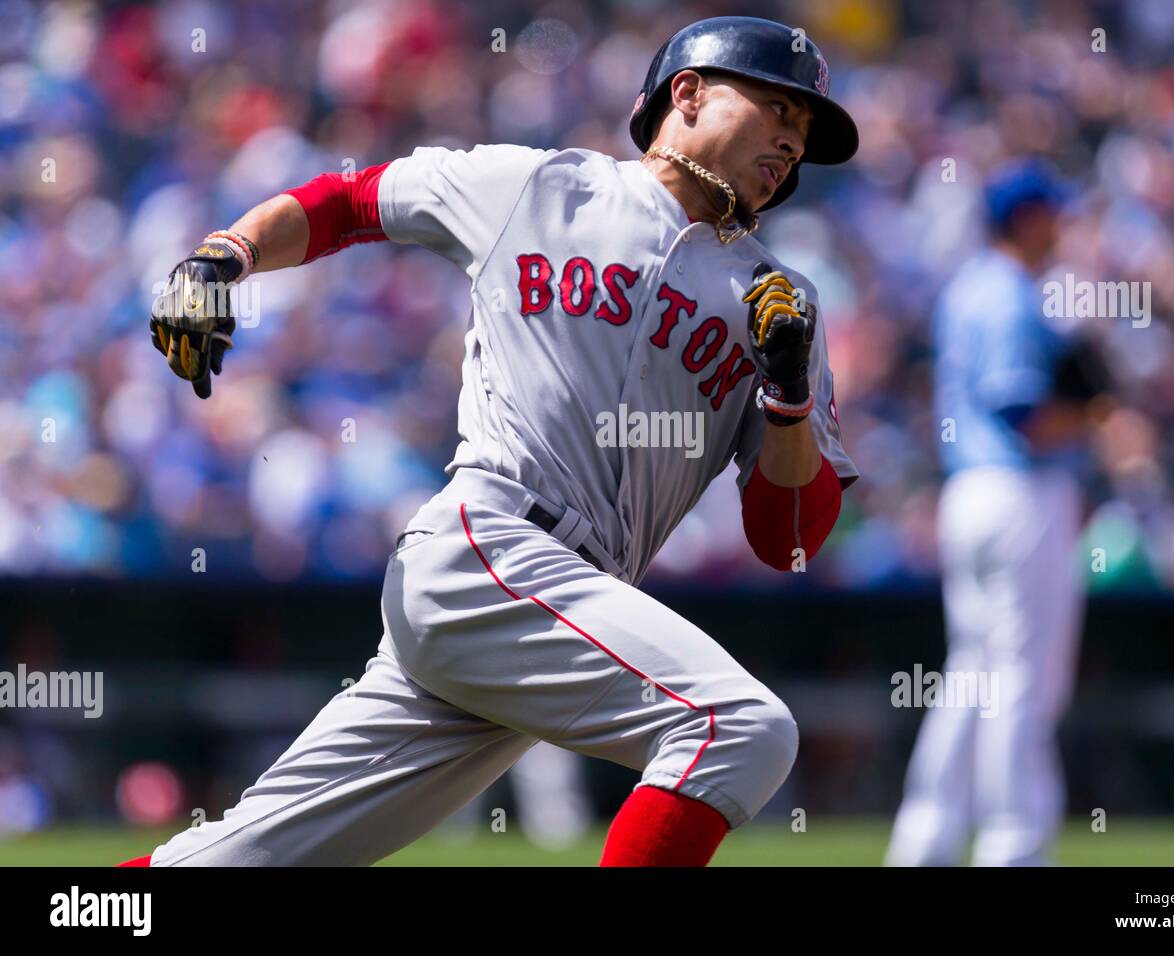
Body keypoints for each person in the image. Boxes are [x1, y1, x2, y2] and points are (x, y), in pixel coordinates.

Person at [120, 16, 859, 868]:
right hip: (489, 544)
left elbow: (791, 538)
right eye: (775, 107)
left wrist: (790, 394)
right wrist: (225, 256)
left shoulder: (779, 299)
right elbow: (355, 202)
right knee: (740, 727)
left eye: (803, 130)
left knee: (234, 864)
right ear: (685, 94)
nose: (791, 142)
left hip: (548, 606)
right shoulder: (537, 186)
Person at [886, 159, 1106, 866]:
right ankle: (1014, 847)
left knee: (975, 669)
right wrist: (1098, 416)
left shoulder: (969, 287)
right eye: (1053, 212)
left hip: (970, 494)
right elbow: (1026, 416)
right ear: (1028, 218)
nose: (1063, 225)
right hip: (1020, 493)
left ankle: (927, 838)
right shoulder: (1012, 294)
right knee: (1022, 676)